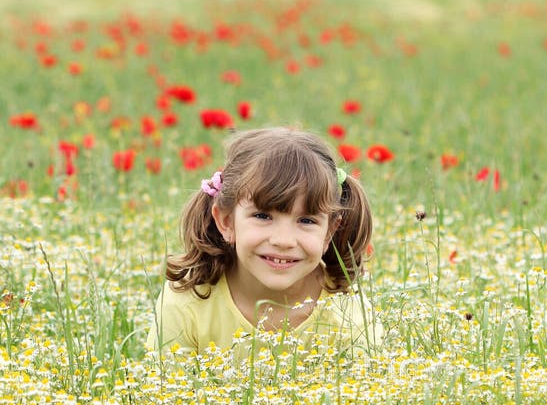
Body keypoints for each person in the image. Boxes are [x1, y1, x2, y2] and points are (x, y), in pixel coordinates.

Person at [146, 126, 381, 358]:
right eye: (262, 216)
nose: (284, 240)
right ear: (226, 222)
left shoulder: (347, 311)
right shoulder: (187, 301)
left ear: (329, 232)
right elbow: (162, 390)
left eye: (306, 220)